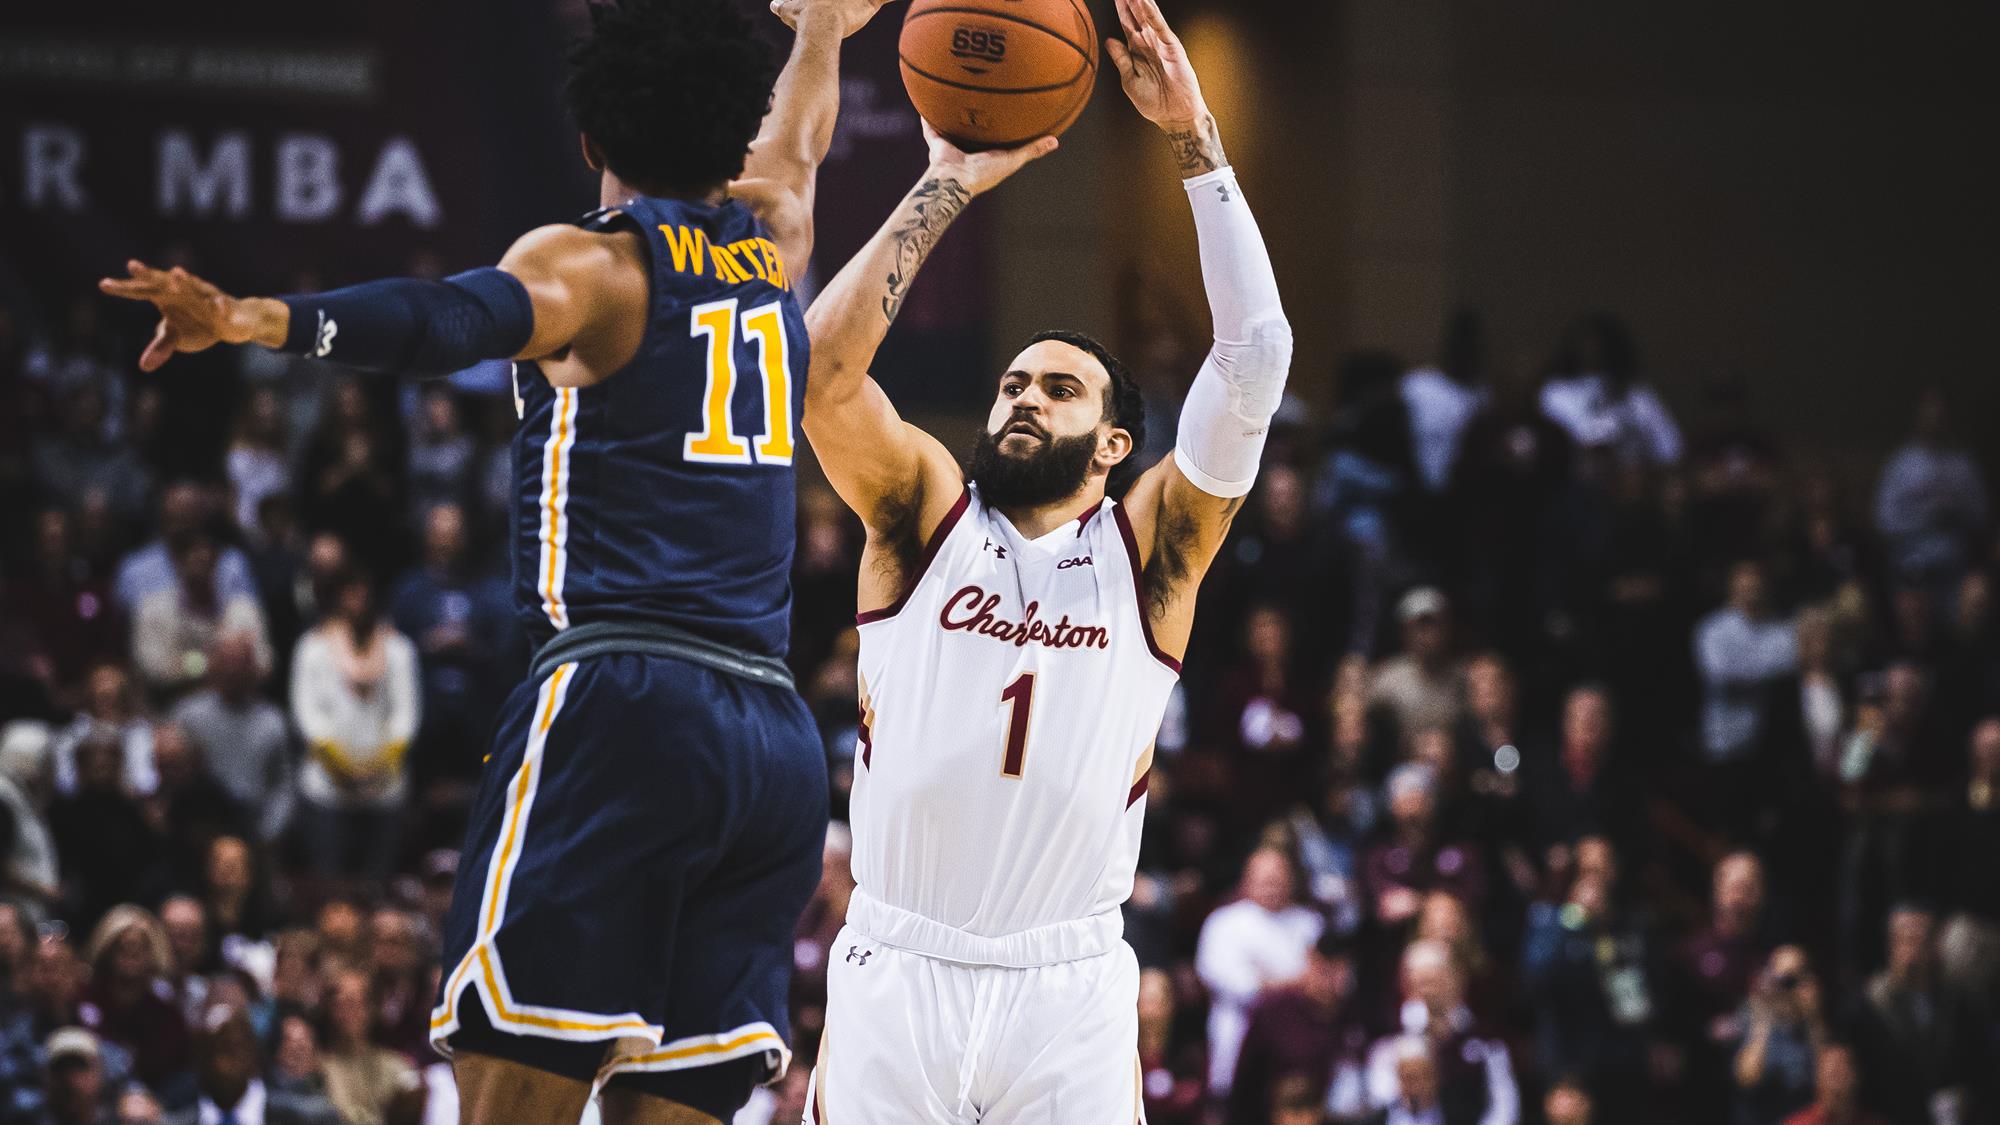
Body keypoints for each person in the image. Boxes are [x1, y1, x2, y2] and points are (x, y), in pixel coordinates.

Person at [101, 1, 875, 1118]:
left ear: (590, 142)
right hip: (773, 743)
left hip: (621, 701)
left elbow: (444, 320)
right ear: (727, 136)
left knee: (515, 1093)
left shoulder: (595, 267)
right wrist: (821, 31)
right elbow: (797, 144)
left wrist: (256, 318)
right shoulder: (773, 236)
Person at [798, 0, 1293, 1118]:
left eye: (1057, 388)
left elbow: (1255, 353)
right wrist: (946, 184)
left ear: (1116, 446)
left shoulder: (1152, 548)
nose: (1023, 398)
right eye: (1013, 383)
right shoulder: (919, 513)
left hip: (1063, 983)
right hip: (896, 963)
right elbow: (819, 374)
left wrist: (1193, 141)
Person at [1198, 849, 1327, 1097]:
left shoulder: (1309, 922)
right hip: (1239, 1040)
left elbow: (1321, 985)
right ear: (1247, 880)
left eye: (1279, 879)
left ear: (1292, 881)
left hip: (1298, 1048)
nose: (1272, 886)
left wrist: (1267, 978)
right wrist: (1293, 982)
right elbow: (1237, 985)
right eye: (1265, 880)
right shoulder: (1223, 923)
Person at [170, 630, 294, 845]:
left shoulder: (272, 721)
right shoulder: (187, 716)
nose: (232, 670)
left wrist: (267, 834)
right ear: (212, 665)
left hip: (256, 827)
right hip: (199, 828)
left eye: (239, 662)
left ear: (253, 668)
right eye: (226, 661)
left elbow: (284, 787)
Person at [161, 1005, 341, 1125]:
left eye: (238, 1047)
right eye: (222, 1048)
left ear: (254, 1056)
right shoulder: (179, 1121)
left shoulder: (305, 1117)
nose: (229, 1061)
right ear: (204, 1059)